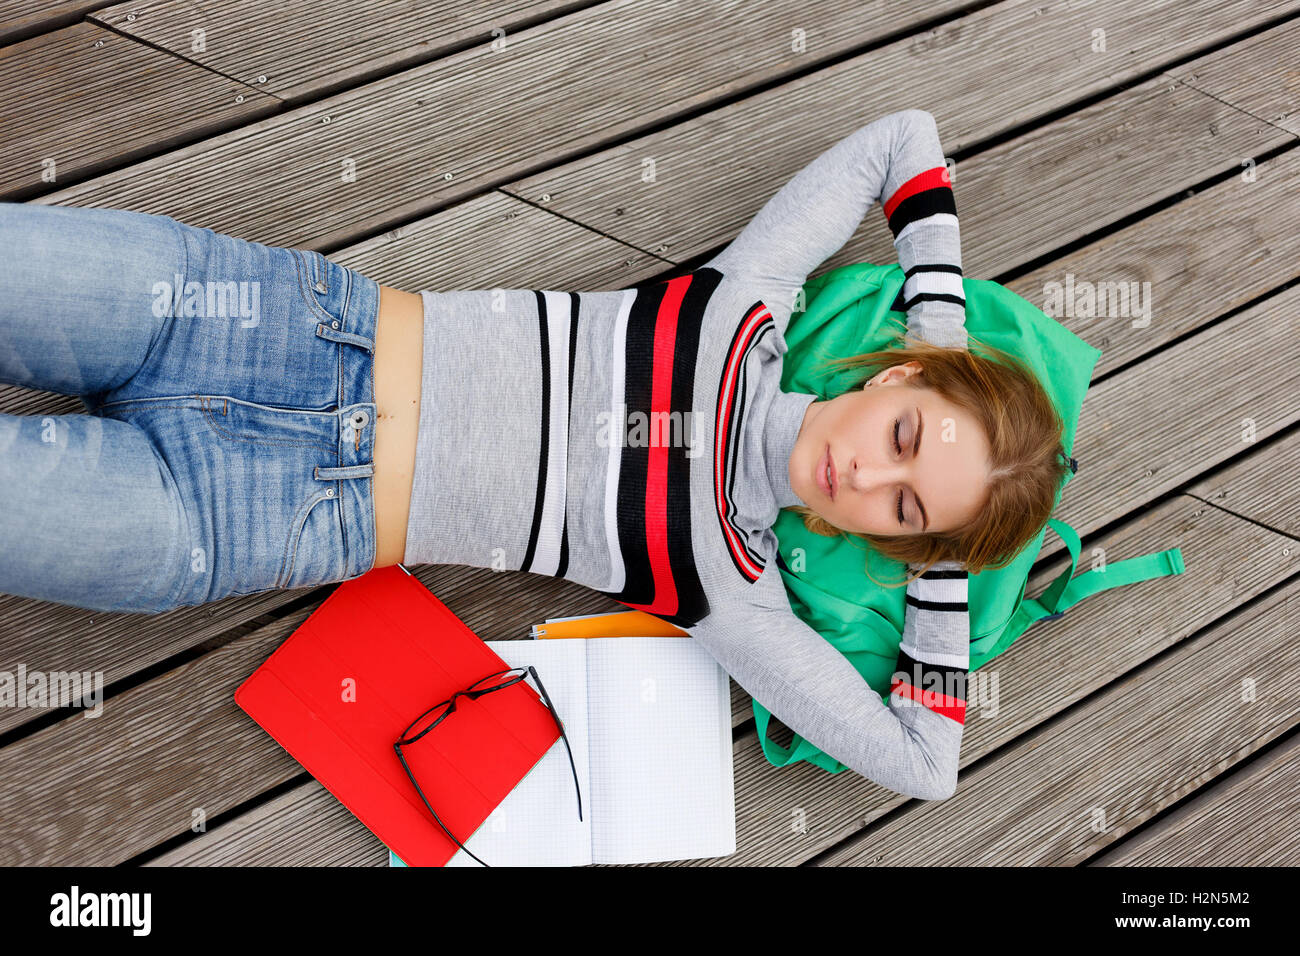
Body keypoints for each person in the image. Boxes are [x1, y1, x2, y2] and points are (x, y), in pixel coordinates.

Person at [0, 110, 1068, 799]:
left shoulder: (731, 587)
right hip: (265, 320)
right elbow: (905, 141)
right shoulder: (741, 310)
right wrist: (944, 346)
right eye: (903, 437)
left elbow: (926, 765)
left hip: (244, 513)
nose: (868, 478)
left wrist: (948, 558)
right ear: (890, 380)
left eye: (902, 509)